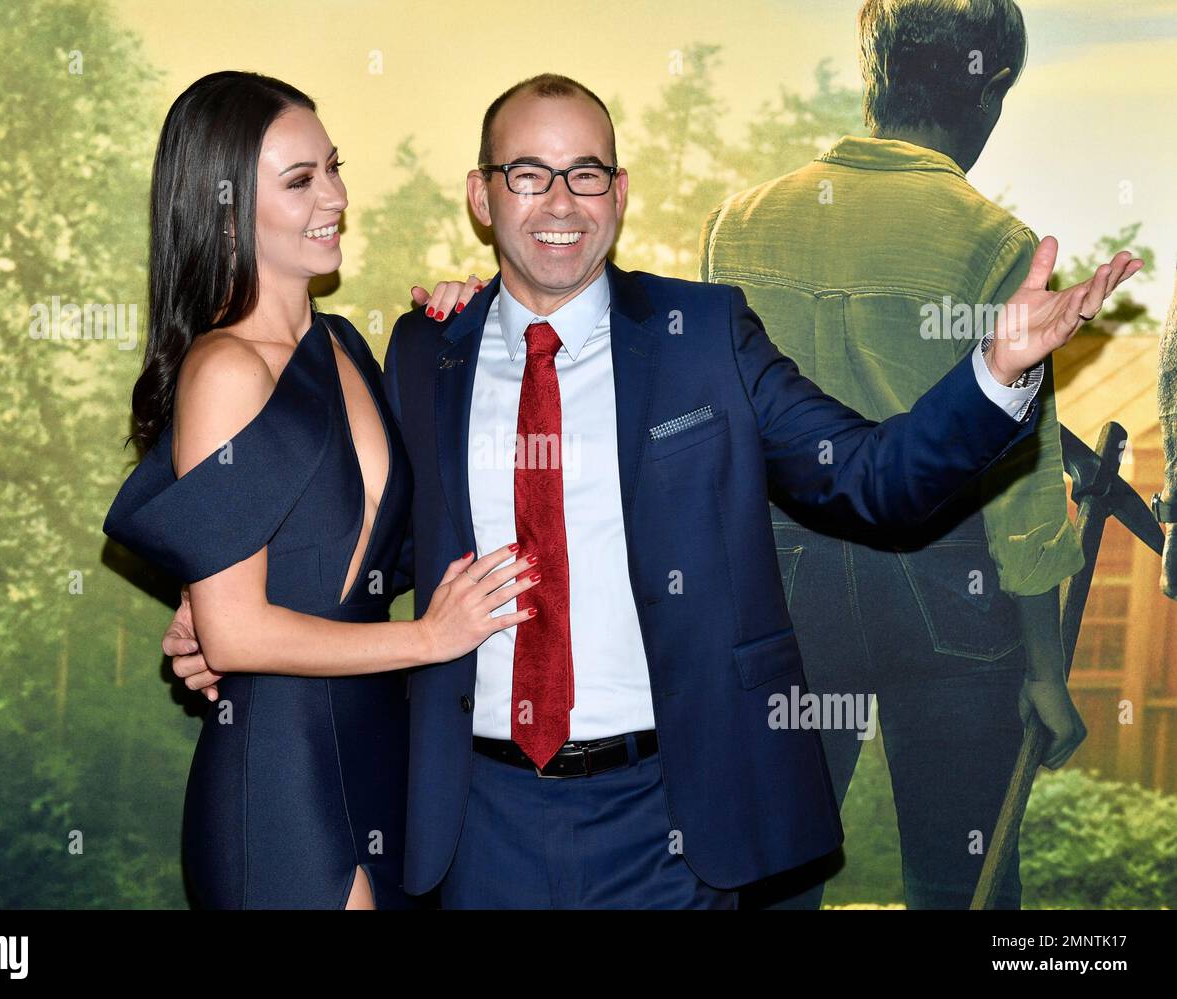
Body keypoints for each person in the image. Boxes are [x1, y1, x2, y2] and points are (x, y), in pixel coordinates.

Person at [166, 73, 1141, 909]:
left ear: (620, 193)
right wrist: (224, 619)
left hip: (671, 826)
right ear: (482, 196)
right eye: (528, 175)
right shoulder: (425, 350)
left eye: (585, 173)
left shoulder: (708, 336)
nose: (560, 202)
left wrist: (996, 371)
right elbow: (370, 538)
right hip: (470, 824)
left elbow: (874, 483)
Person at [102, 71, 538, 910]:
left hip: (381, 749)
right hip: (282, 771)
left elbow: (375, 552)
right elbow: (233, 635)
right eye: (300, 181)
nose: (334, 195)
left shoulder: (339, 342)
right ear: (225, 208)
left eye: (333, 167)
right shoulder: (227, 369)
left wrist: (474, 321)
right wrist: (428, 639)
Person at [700, 0, 1086, 909]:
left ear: (874, 77)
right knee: (964, 888)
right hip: (948, 593)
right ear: (988, 91)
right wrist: (1044, 670)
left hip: (784, 587)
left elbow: (709, 440)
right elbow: (1023, 490)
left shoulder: (738, 225)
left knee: (771, 877)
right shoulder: (996, 246)